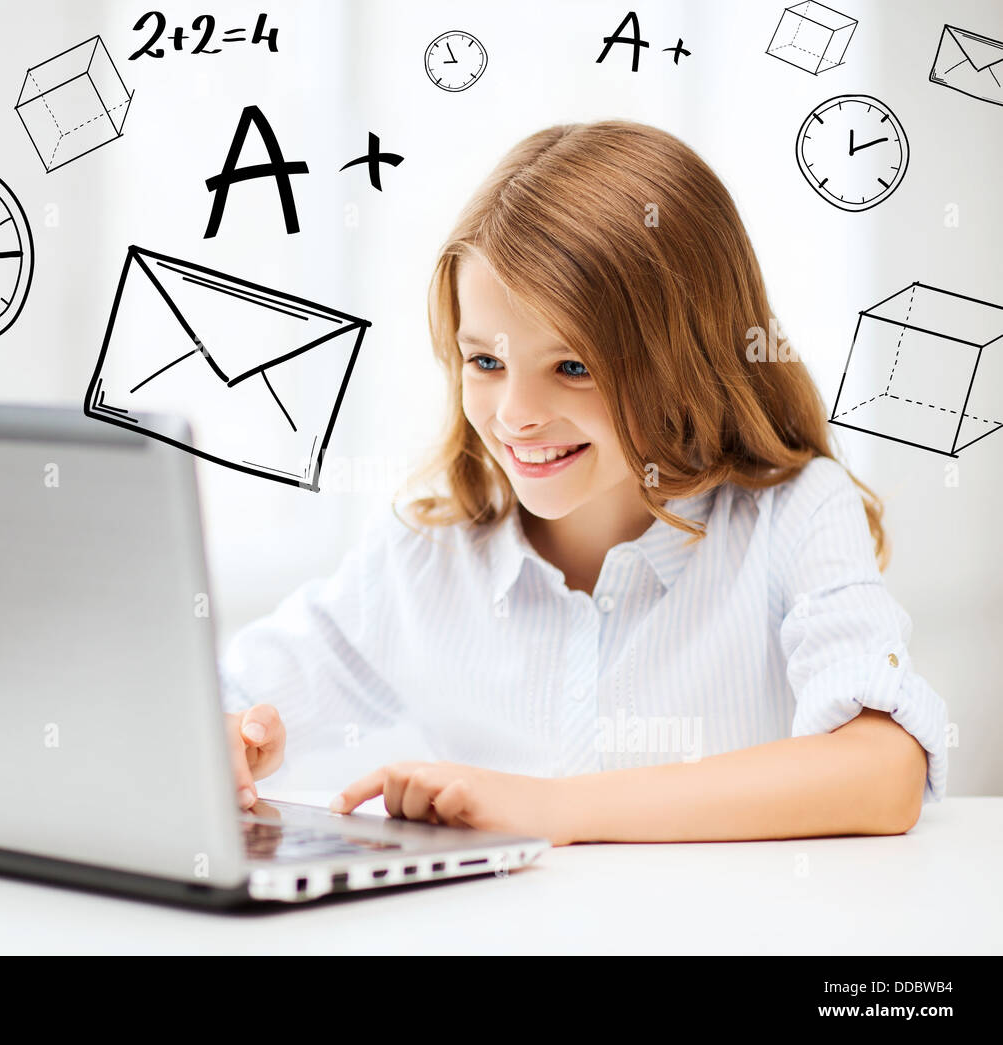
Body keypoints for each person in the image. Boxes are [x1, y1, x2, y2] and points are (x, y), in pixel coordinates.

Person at [220, 120, 947, 846]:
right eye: (486, 362)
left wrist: (554, 809)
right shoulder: (422, 558)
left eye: (572, 368)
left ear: (688, 359)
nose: (516, 416)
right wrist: (232, 735)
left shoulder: (795, 516)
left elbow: (884, 771)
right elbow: (223, 694)